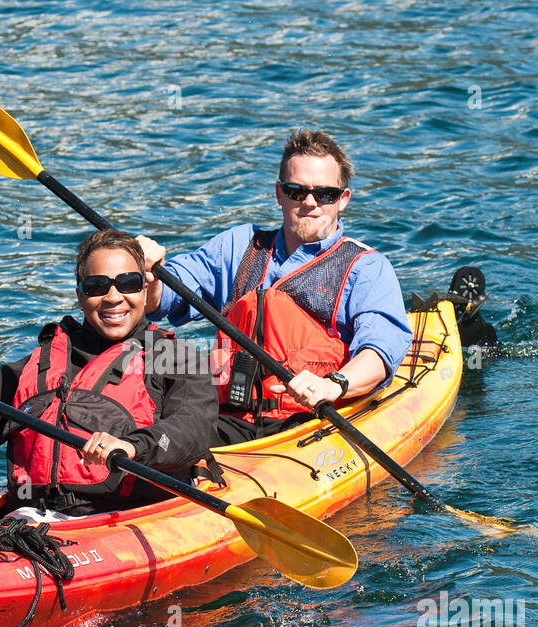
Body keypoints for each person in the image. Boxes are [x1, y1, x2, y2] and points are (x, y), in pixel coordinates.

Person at [139, 129, 414, 444]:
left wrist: (334, 383)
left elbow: (380, 351)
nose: (310, 203)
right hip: (229, 419)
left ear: (343, 200)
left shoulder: (366, 268)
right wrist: (148, 279)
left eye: (325, 194)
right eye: (297, 191)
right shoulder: (239, 246)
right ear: (279, 193)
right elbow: (164, 299)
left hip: (314, 421)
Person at [0, 229, 218, 518]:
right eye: (97, 287)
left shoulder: (175, 358)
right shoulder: (40, 363)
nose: (113, 298)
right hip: (29, 517)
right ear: (79, 295)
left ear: (144, 289)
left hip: (128, 518)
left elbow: (194, 429)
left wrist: (132, 446)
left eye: (128, 283)